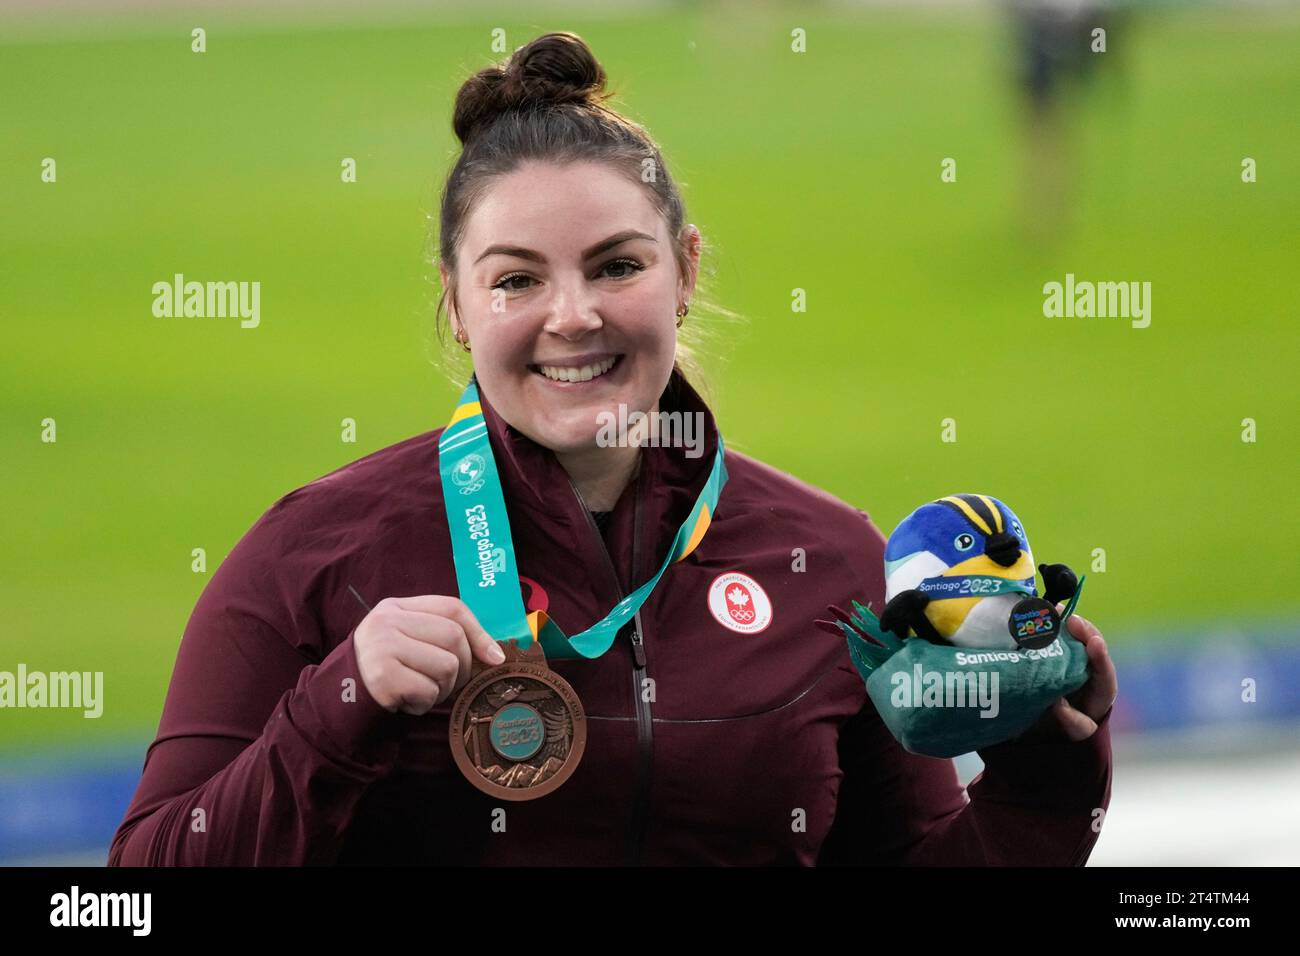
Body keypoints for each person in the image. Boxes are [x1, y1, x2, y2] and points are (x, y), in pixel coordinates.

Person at [108, 31, 1116, 867]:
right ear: (455, 305)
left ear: (683, 271)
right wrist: (336, 706)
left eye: (615, 265)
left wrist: (1045, 766)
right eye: (515, 280)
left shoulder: (827, 560)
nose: (574, 316)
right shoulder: (315, 557)